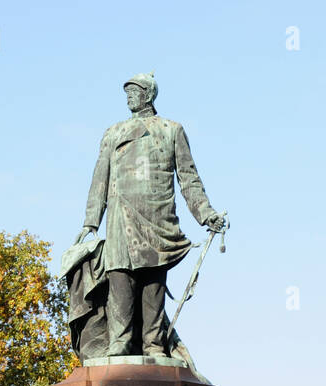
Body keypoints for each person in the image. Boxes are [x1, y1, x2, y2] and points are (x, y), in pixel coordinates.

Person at [76, 72, 227, 356]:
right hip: (120, 217)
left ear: (149, 94)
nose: (129, 96)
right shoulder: (114, 132)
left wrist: (207, 215)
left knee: (152, 283)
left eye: (135, 91)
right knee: (119, 277)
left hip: (157, 218)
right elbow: (100, 179)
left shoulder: (171, 130)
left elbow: (189, 179)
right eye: (127, 92)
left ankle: (154, 345)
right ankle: (119, 341)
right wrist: (90, 221)